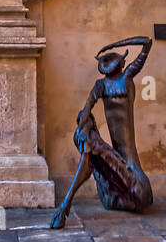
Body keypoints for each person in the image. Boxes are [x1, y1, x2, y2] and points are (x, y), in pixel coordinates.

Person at [50, 36, 154, 229]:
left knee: (88, 139)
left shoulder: (127, 76)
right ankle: (67, 204)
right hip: (121, 177)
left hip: (138, 186)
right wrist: (84, 124)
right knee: (83, 131)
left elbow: (147, 43)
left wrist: (115, 45)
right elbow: (85, 111)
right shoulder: (100, 85)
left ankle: (65, 206)